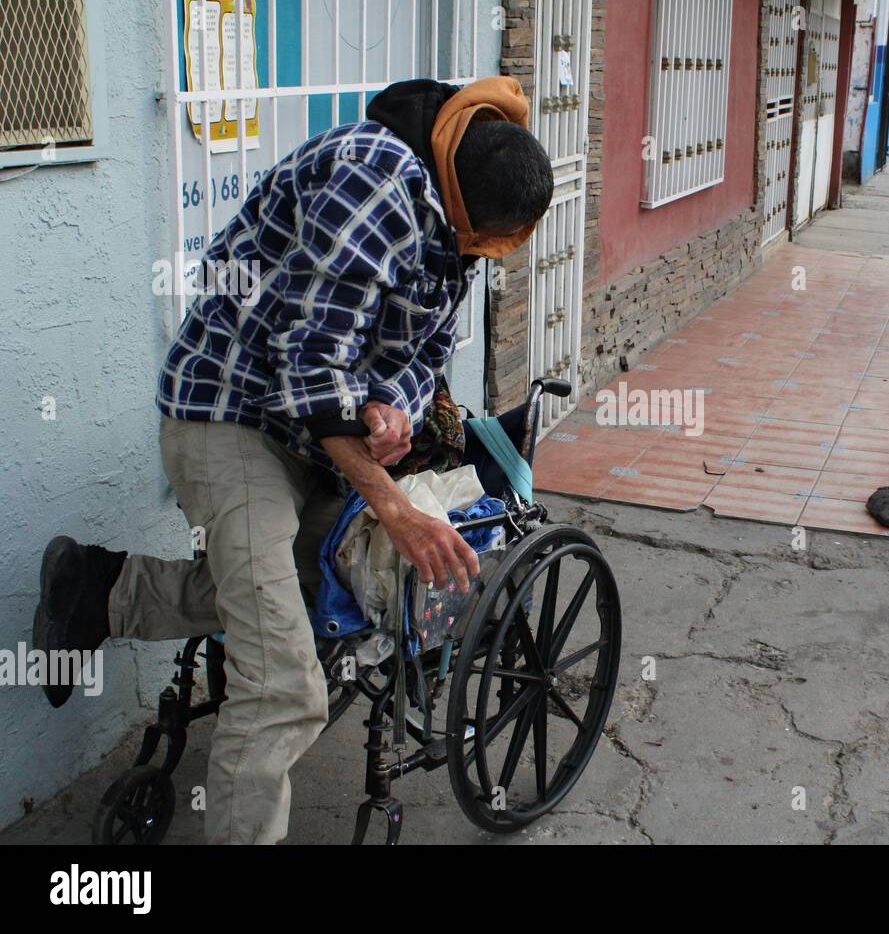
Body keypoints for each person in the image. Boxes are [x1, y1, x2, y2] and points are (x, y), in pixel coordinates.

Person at [31, 76, 553, 843]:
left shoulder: (450, 221)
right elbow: (306, 368)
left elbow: (423, 353)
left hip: (308, 440)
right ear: (461, 191)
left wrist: (392, 408)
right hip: (231, 421)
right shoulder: (373, 174)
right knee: (284, 686)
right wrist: (394, 506)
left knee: (314, 594)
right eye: (479, 239)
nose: (476, 255)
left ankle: (104, 591)